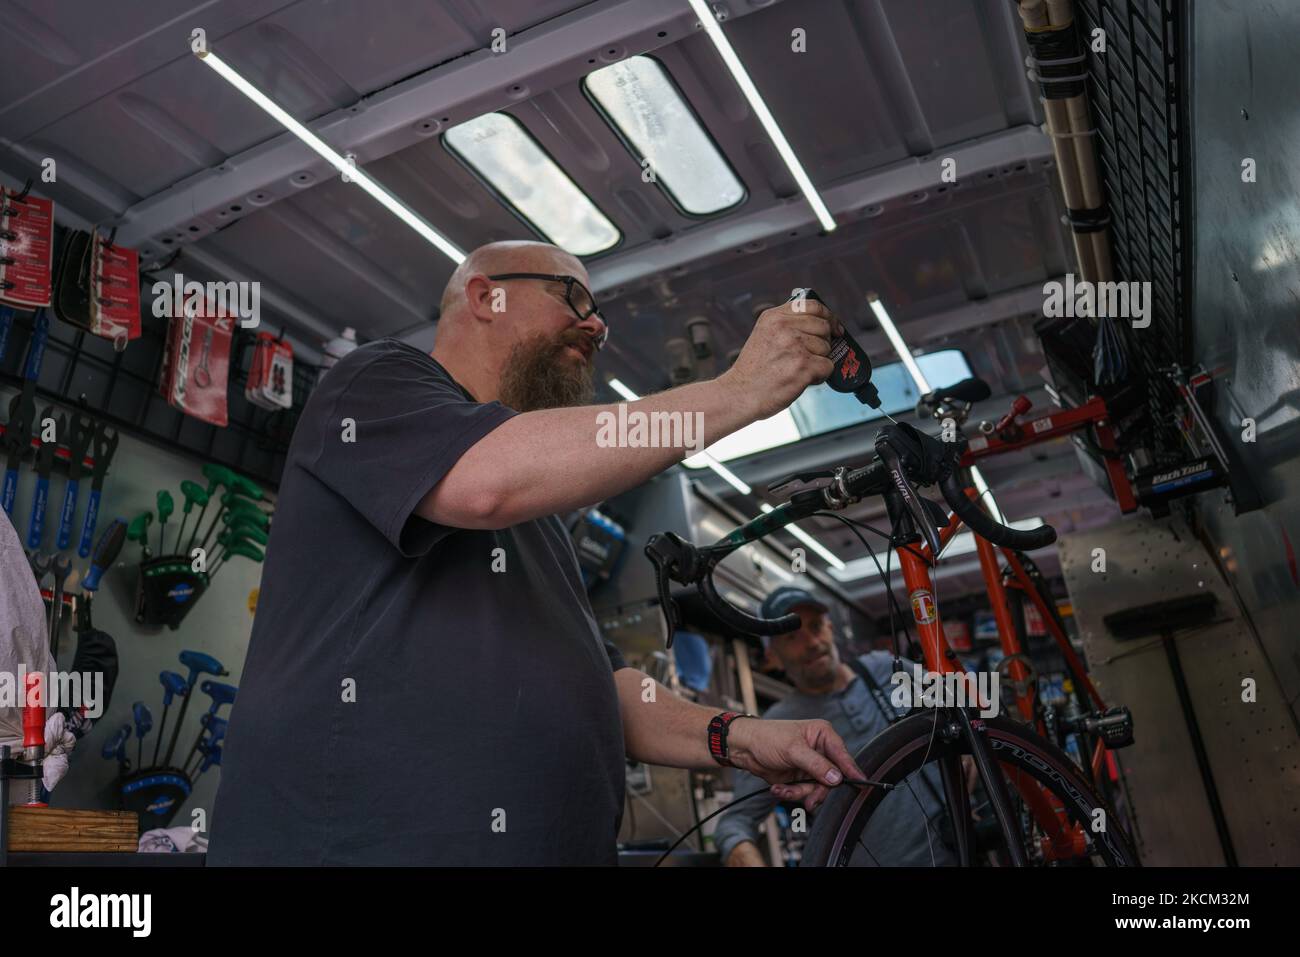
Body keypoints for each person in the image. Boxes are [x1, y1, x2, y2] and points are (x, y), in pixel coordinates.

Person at [208, 240, 863, 865]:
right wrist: (738, 391)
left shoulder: (540, 514)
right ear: (485, 295)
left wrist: (740, 735)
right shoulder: (375, 383)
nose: (599, 325)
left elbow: (610, 692)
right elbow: (484, 480)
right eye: (574, 297)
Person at [714, 587, 961, 866]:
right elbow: (734, 823)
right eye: (792, 635)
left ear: (831, 629)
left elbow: (963, 707)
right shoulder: (778, 726)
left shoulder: (885, 668)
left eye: (817, 627)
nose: (811, 642)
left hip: (961, 853)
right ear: (772, 656)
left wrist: (966, 758)